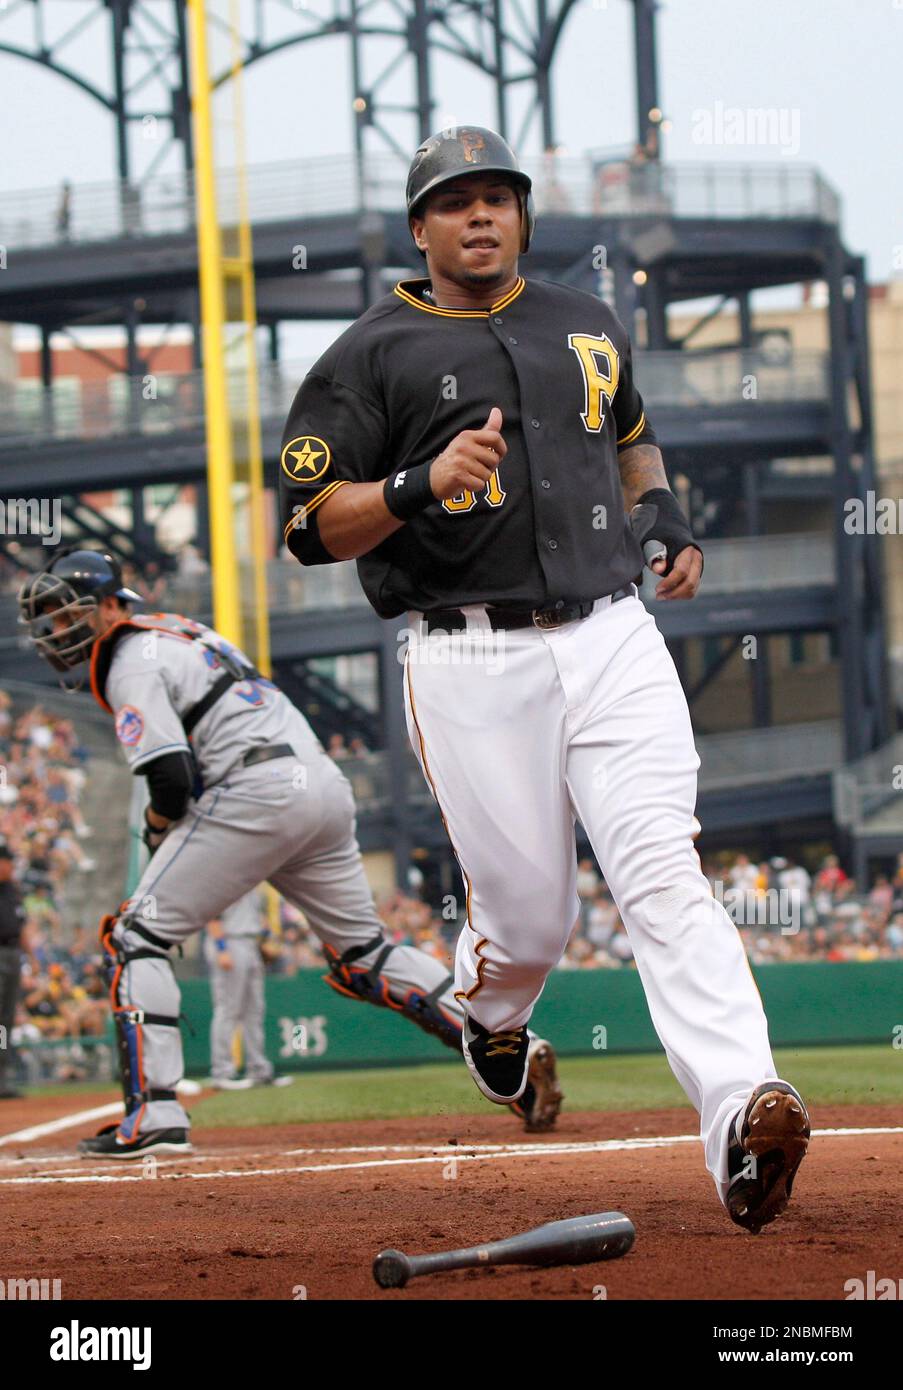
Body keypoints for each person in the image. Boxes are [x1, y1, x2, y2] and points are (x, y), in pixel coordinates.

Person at [277, 124, 810, 1233]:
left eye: (498, 197)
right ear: (420, 227)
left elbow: (633, 436)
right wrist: (419, 484)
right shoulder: (369, 352)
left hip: (614, 634)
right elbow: (311, 527)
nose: (481, 215)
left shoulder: (586, 321)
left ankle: (746, 1119)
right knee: (530, 918)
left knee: (665, 873)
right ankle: (489, 1014)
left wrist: (659, 513)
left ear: (521, 213)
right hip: (471, 654)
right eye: (456, 200)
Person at [17, 545, 562, 1157]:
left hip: (255, 791)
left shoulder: (126, 655)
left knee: (134, 936)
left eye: (69, 614)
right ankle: (514, 1050)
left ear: (113, 605)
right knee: (365, 955)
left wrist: (154, 825)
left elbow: (169, 778)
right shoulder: (183, 635)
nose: (58, 630)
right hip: (319, 788)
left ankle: (156, 1119)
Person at [205, 888, 290, 1090]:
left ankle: (259, 1069)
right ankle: (222, 1071)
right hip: (230, 941)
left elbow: (255, 918)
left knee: (254, 1010)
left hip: (250, 943)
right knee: (228, 1009)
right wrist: (222, 948)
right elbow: (212, 917)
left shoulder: (252, 881)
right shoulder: (223, 879)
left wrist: (267, 936)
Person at [0, 846, 26, 1098]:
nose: (9, 867)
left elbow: (22, 925)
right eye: (6, 862)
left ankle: (2, 1077)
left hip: (12, 954)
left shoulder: (12, 891)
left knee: (4, 1022)